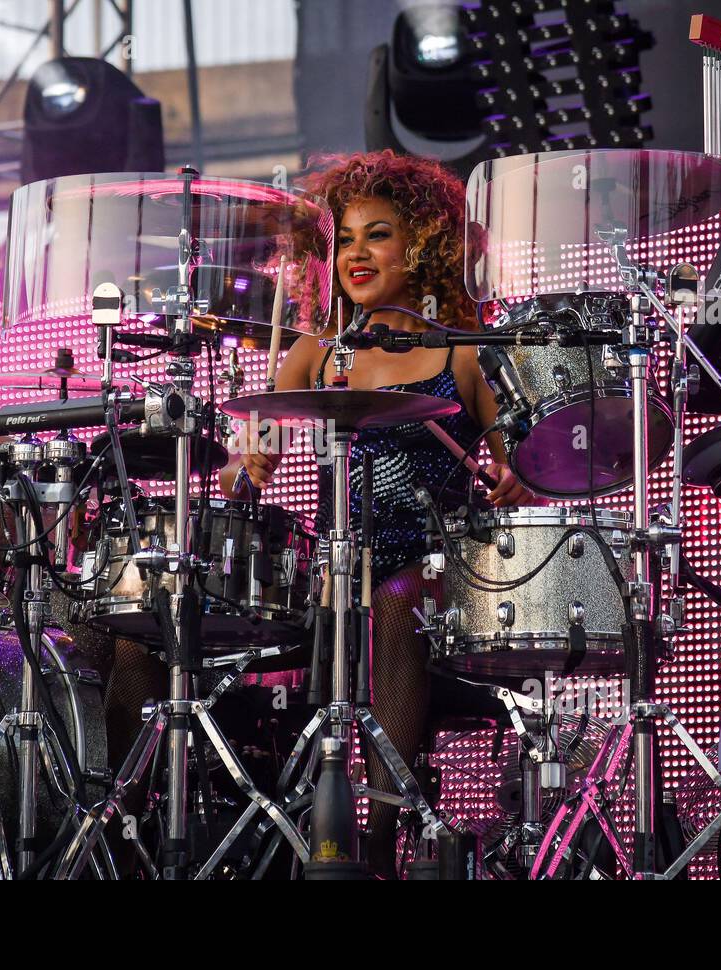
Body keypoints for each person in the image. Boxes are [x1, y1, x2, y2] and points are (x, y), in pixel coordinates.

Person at [217, 149, 536, 876]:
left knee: (395, 599)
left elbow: (523, 464)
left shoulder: (459, 353)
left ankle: (381, 841)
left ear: (423, 246)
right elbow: (253, 453)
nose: (357, 254)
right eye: (346, 239)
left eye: (378, 234)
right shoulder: (313, 353)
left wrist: (516, 477)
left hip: (437, 576)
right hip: (334, 573)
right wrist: (243, 468)